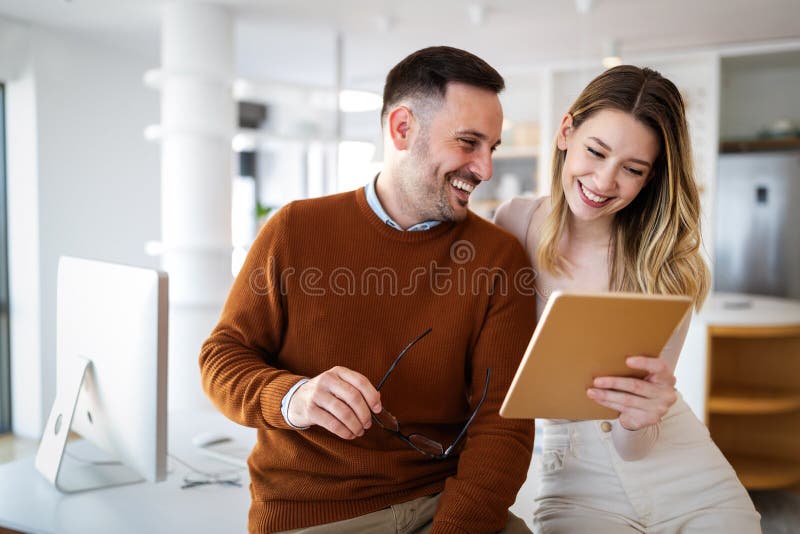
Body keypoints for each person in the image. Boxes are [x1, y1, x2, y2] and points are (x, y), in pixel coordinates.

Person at [199, 46, 540, 533]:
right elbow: (221, 357)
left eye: (493, 148)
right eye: (468, 143)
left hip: (442, 508)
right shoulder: (296, 230)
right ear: (402, 129)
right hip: (311, 514)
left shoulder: (498, 258)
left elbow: (502, 428)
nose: (484, 170)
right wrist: (292, 397)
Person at [495, 65, 761, 533]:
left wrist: (640, 416)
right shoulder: (513, 223)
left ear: (650, 178)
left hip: (684, 471)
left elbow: (633, 444)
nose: (603, 181)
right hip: (574, 479)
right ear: (566, 132)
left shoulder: (668, 268)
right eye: (595, 152)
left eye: (632, 169)